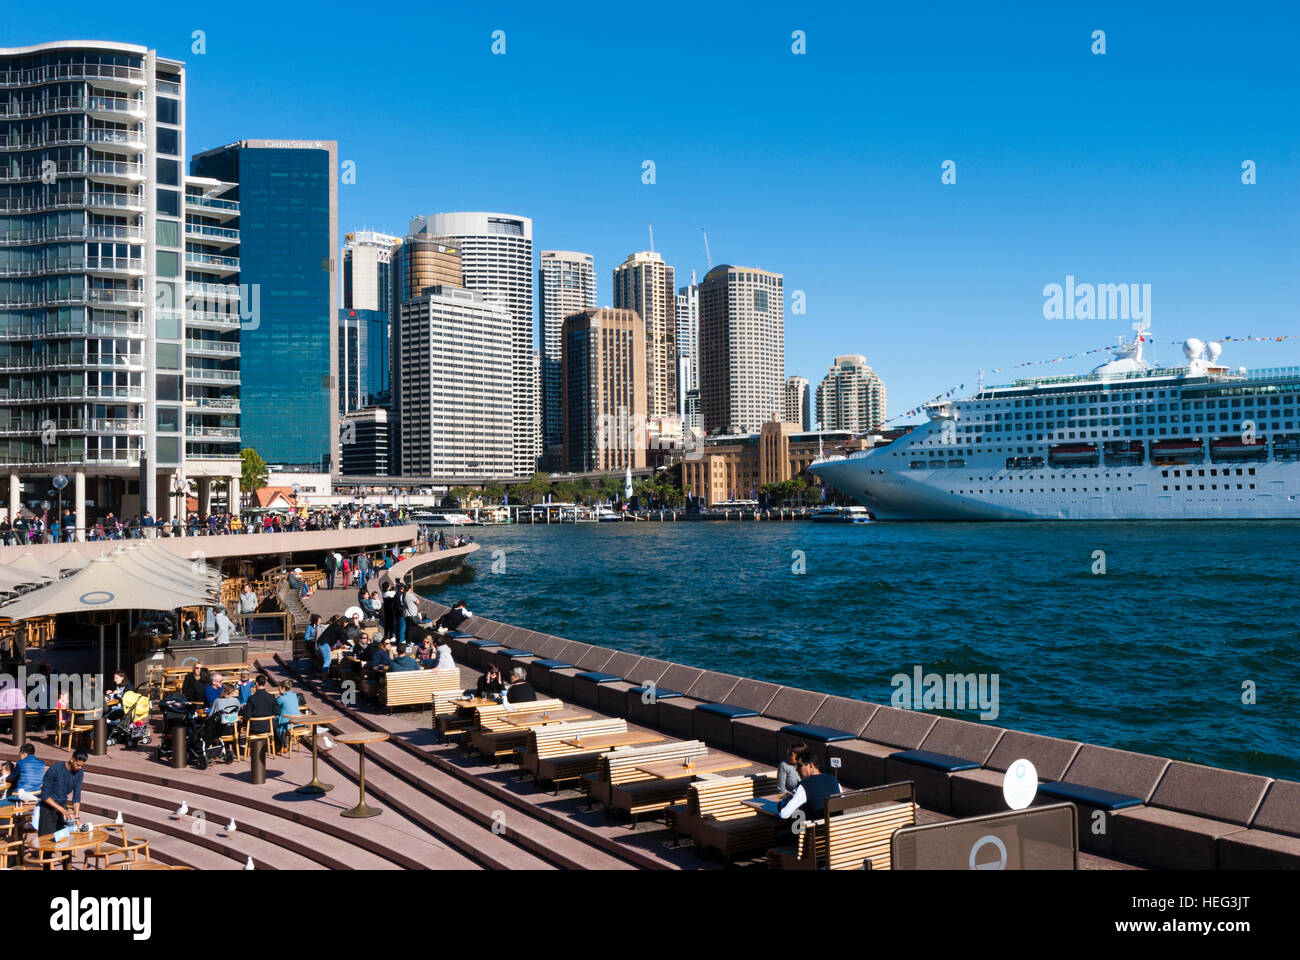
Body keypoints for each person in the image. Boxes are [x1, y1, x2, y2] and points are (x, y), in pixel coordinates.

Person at [778, 750, 842, 821]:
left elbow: (784, 814)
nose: (796, 769)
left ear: (811, 765)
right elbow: (842, 800)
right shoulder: (833, 779)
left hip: (817, 830)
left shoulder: (805, 785)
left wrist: (781, 804)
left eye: (799, 765)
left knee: (780, 830)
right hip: (839, 827)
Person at [38, 750, 87, 837]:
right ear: (72, 760)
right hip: (48, 808)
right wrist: (63, 810)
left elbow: (76, 797)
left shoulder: (79, 773)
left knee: (67, 842)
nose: (79, 768)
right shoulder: (55, 769)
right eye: (78, 765)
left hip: (62, 805)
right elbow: (44, 796)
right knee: (46, 843)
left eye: (81, 765)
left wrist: (77, 818)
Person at [242, 675, 279, 741]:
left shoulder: (251, 698)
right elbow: (277, 712)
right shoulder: (272, 697)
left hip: (255, 727)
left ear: (256, 683)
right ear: (265, 683)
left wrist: (244, 709)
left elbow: (247, 715)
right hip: (269, 727)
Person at [273, 680, 301, 749]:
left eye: (279, 688)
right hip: (297, 721)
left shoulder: (281, 698)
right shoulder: (294, 695)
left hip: (287, 722)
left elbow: (274, 706)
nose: (278, 690)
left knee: (273, 721)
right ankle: (284, 741)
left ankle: (281, 744)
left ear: (283, 688)